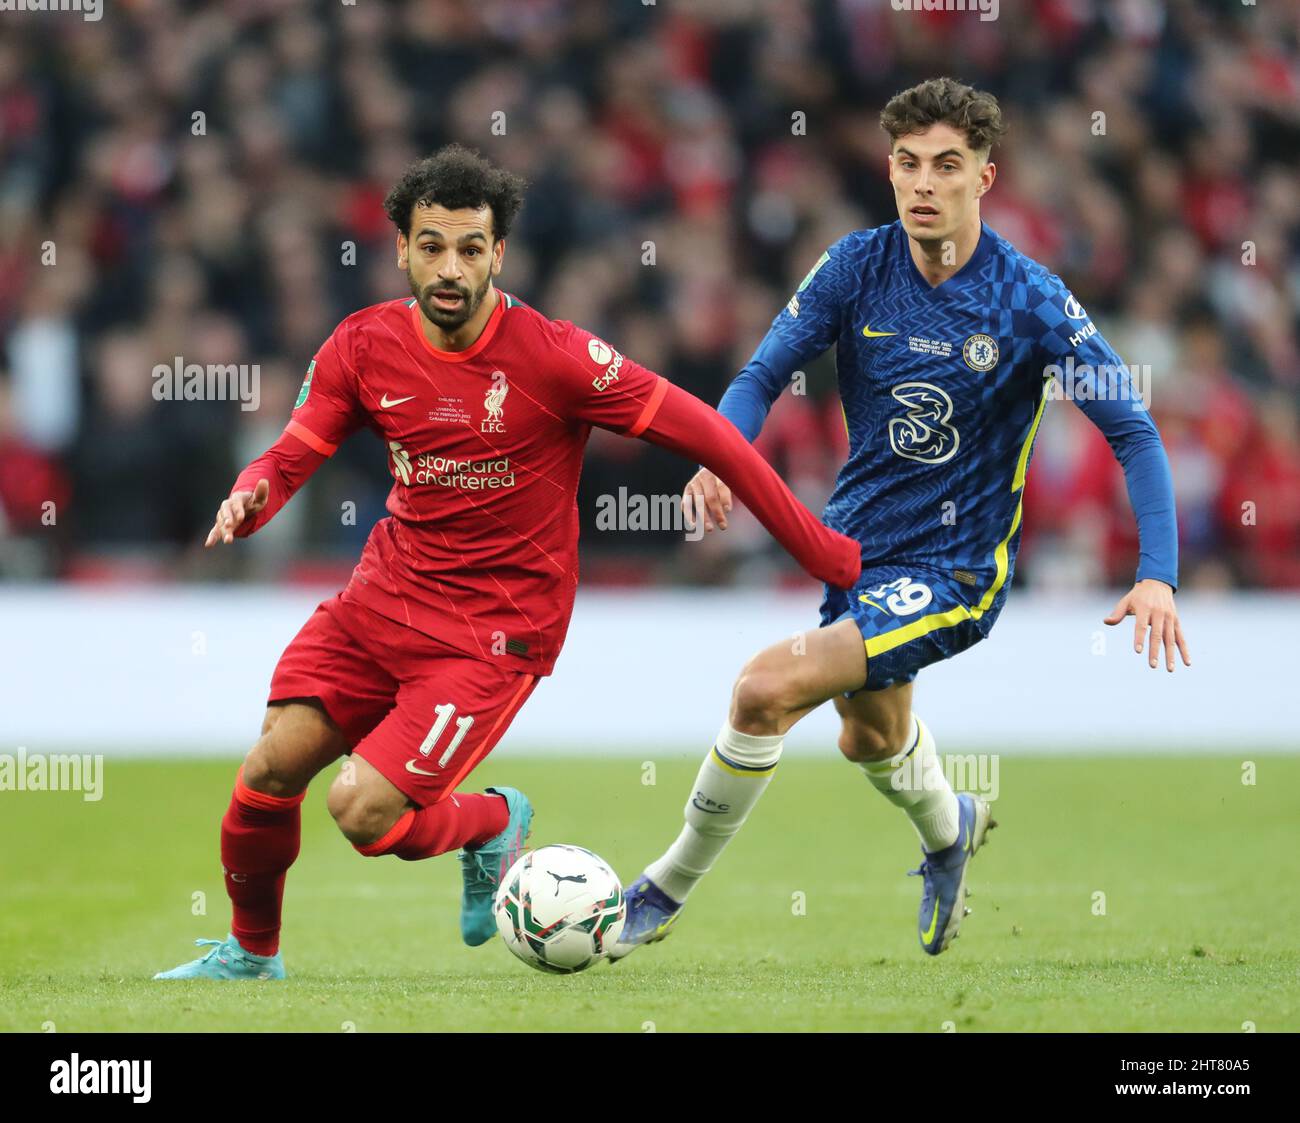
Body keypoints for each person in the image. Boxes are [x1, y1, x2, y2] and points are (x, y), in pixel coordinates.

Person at [153, 145, 860, 980]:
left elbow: (704, 431)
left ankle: (492, 821)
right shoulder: (362, 344)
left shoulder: (554, 356)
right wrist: (253, 494)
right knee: (268, 768)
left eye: (470, 248)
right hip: (382, 597)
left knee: (361, 811)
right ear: (402, 250)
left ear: (499, 253)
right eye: (431, 246)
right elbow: (292, 452)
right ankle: (251, 955)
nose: (449, 267)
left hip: (492, 630)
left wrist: (827, 551)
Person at [612, 77, 1190, 962]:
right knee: (867, 736)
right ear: (890, 169)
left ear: (984, 179)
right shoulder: (854, 266)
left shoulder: (1028, 300)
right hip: (854, 558)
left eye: (947, 166)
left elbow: (1135, 431)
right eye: (909, 164)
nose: (924, 183)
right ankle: (951, 826)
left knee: (764, 690)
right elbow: (762, 375)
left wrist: (1157, 569)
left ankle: (661, 888)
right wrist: (718, 451)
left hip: (956, 571)